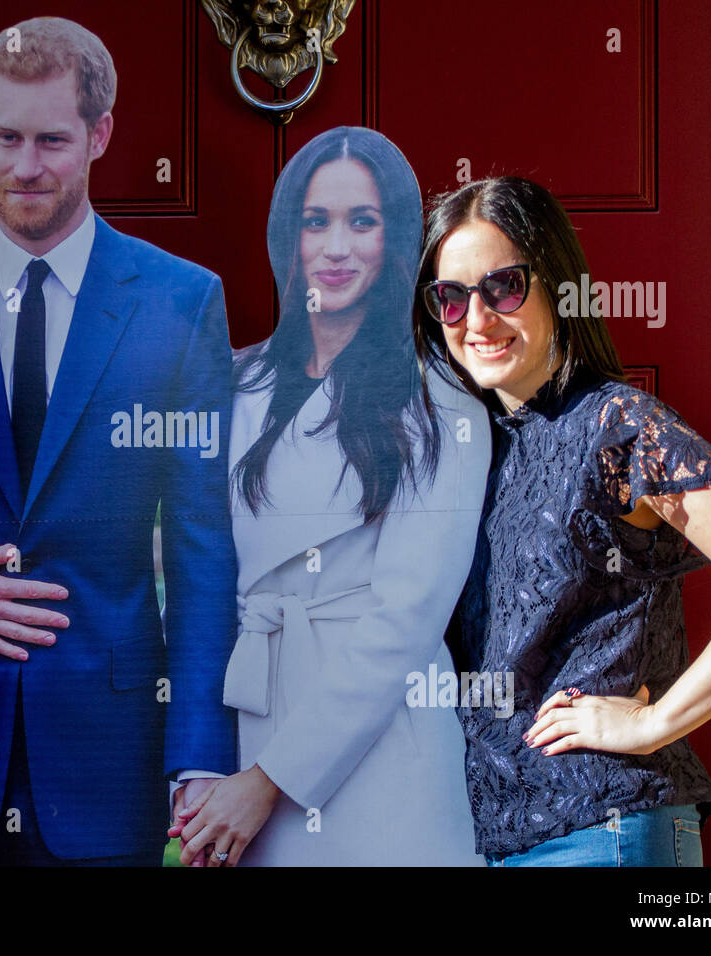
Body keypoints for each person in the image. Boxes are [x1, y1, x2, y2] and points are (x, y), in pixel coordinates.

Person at [0, 16, 238, 865]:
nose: (27, 167)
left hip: (114, 762)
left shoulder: (179, 305)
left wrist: (202, 755)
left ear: (100, 135)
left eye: (54, 139)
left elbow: (206, 546)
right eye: (8, 138)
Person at [172, 127, 490, 866]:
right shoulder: (230, 385)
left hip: (384, 755)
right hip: (242, 741)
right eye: (317, 221)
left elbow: (404, 623)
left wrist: (272, 780)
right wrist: (198, 769)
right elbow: (189, 581)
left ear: (397, 240)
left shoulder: (443, 403)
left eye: (363, 221)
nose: (337, 246)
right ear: (290, 235)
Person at [413, 176, 711, 866]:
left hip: (604, 832)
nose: (477, 320)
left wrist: (657, 722)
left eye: (504, 287)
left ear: (557, 284)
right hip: (491, 841)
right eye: (450, 298)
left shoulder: (618, 428)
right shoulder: (463, 451)